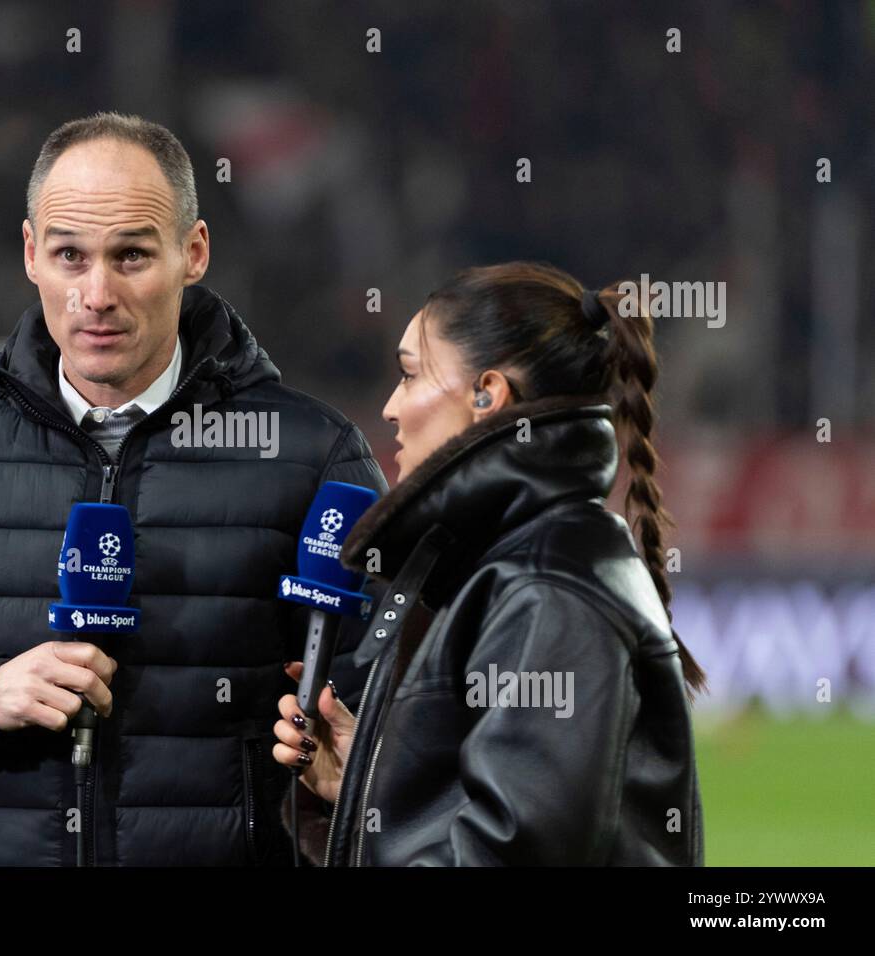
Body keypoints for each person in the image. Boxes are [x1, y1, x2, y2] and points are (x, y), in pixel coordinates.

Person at [0, 112, 386, 866]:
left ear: (192, 253)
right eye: (70, 255)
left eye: (131, 255)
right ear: (32, 254)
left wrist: (351, 754)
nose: (96, 292)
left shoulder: (313, 456)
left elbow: (403, 710)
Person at [273, 262, 705, 866]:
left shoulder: (545, 587)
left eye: (410, 375)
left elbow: (515, 856)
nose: (392, 407)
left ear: (488, 394)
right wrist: (372, 788)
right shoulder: (522, 563)